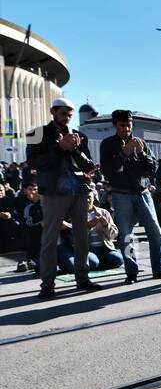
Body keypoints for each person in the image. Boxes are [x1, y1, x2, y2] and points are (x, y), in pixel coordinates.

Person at [27, 97, 98, 298]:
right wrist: (59, 148)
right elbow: (33, 162)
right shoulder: (36, 134)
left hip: (79, 191)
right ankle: (47, 284)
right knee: (50, 239)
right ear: (53, 112)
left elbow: (88, 167)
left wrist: (74, 149)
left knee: (82, 237)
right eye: (63, 114)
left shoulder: (79, 135)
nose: (66, 118)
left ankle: (83, 279)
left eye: (69, 115)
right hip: (53, 192)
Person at [100, 110, 161, 285]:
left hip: (143, 193)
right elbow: (107, 171)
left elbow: (152, 169)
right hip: (121, 195)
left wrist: (141, 154)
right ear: (115, 125)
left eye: (129, 125)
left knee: (156, 232)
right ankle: (131, 272)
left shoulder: (140, 143)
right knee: (126, 236)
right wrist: (123, 153)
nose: (126, 129)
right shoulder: (108, 144)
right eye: (122, 125)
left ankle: (159, 268)